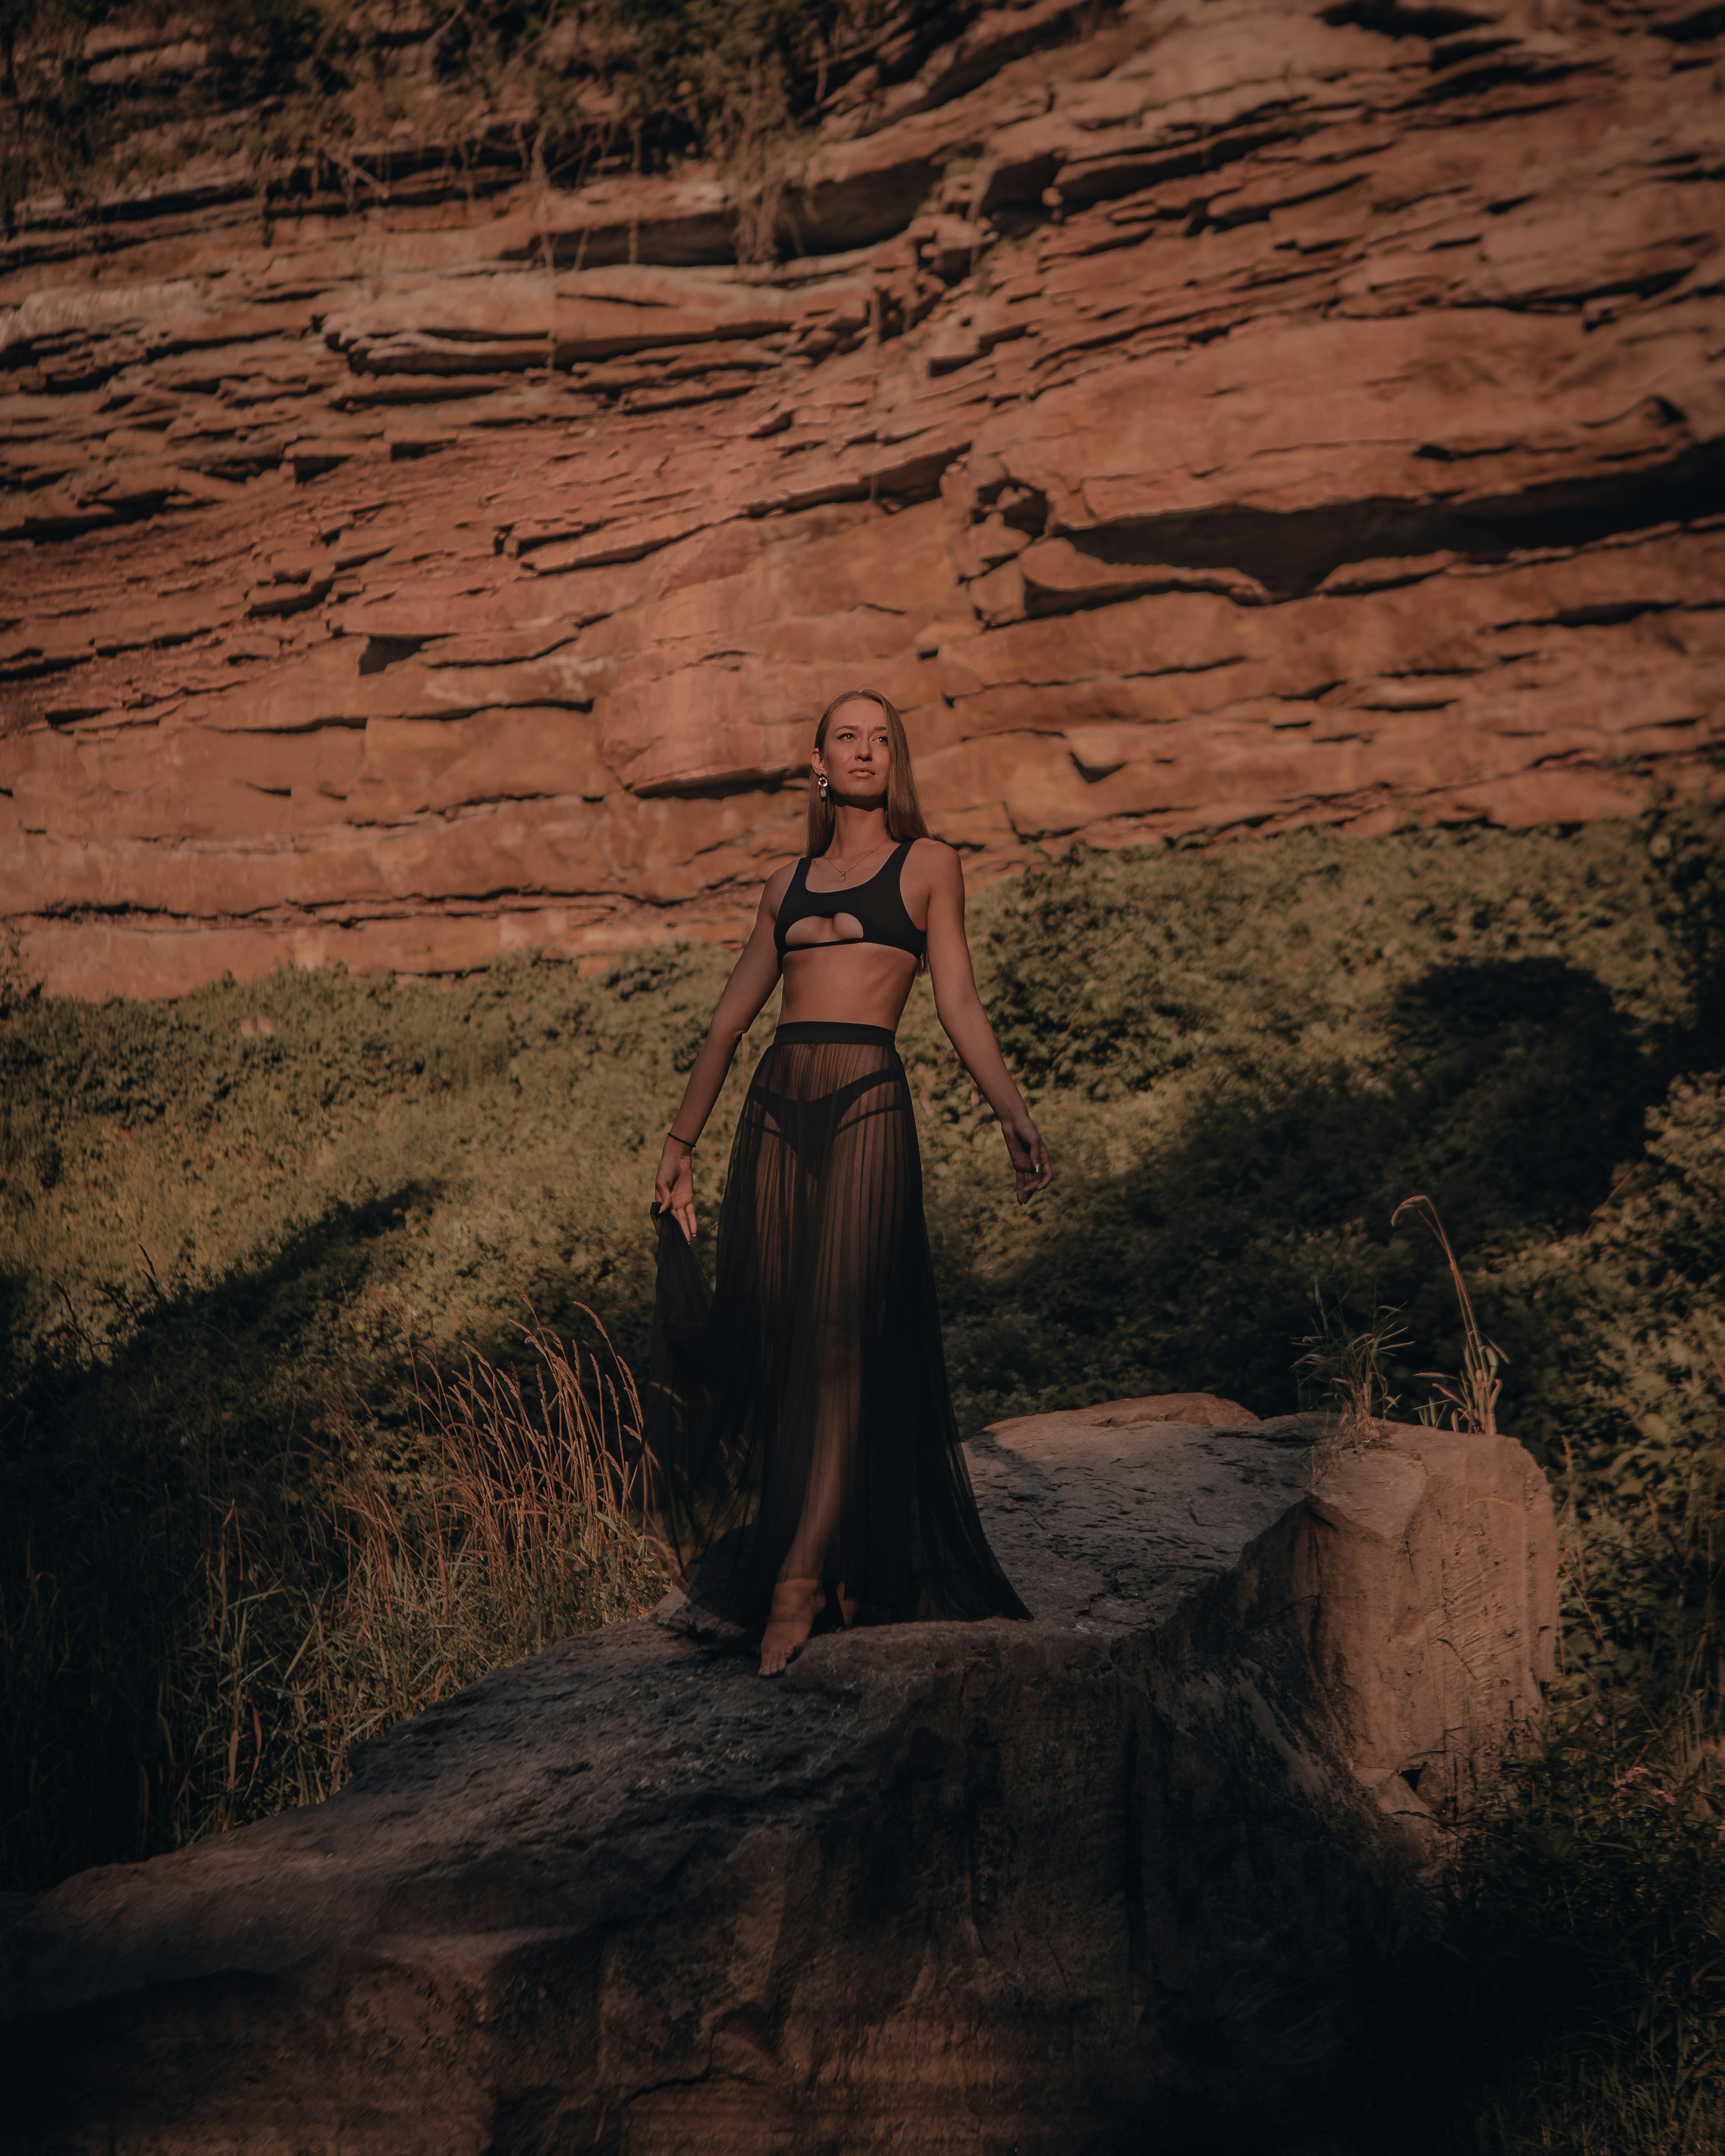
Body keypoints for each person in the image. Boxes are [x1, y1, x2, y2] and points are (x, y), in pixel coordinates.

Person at [646, 687, 1052, 1676]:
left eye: (883, 739)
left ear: (894, 763)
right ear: (819, 762)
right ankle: (827, 1558)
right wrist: (682, 1141)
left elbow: (956, 997)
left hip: (870, 1098)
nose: (866, 750)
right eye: (847, 737)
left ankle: (797, 1577)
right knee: (784, 1335)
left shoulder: (929, 867)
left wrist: (1011, 1110)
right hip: (775, 1111)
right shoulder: (784, 887)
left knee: (837, 1336)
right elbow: (730, 1020)